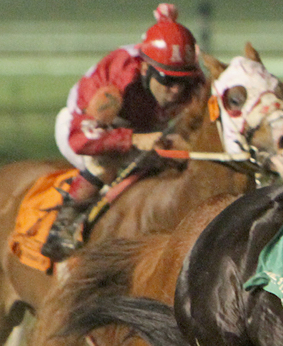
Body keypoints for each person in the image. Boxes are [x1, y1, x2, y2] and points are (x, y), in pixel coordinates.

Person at [46, 3, 202, 261]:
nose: (176, 90)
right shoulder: (117, 84)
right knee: (106, 163)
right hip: (89, 128)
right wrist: (134, 139)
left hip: (147, 130)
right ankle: (64, 224)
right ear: (145, 69)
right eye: (167, 80)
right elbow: (80, 139)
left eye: (183, 80)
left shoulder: (194, 82)